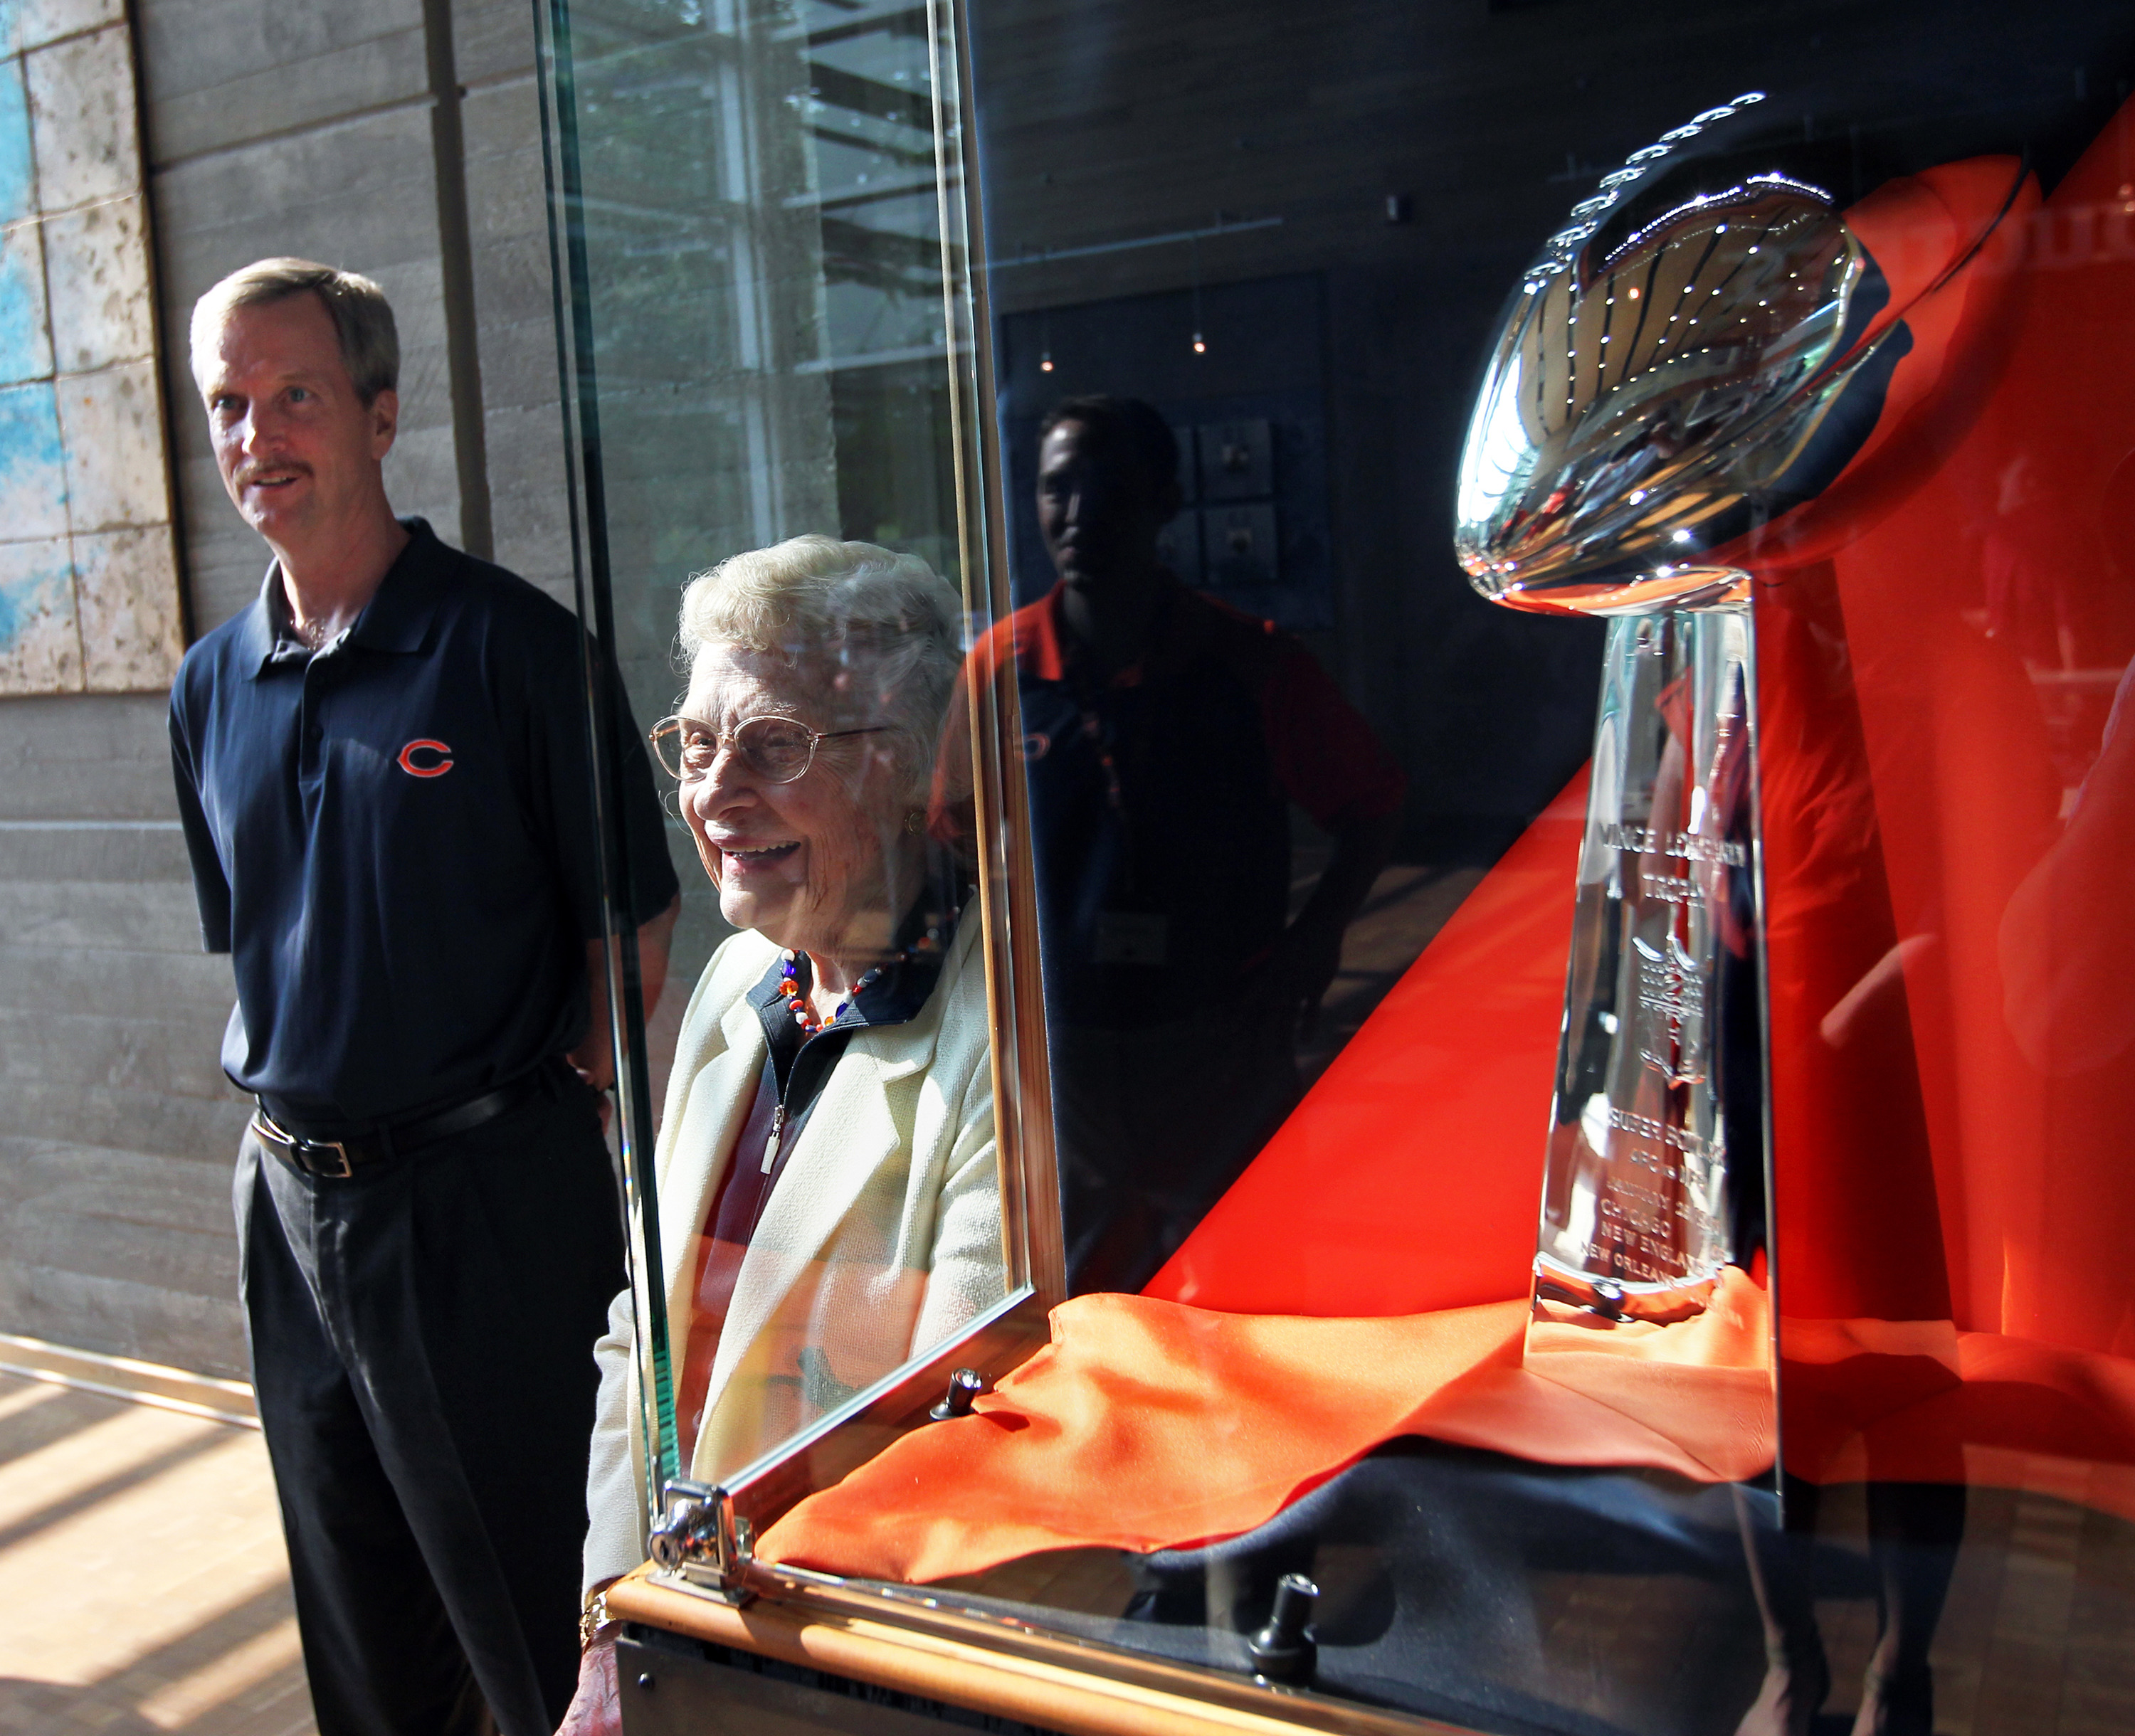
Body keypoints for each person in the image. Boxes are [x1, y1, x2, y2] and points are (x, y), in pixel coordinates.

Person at [168, 258, 680, 1736]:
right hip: (286, 1205)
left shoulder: (515, 650)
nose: (258, 435)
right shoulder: (208, 686)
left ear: (382, 412)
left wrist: (534, 1126)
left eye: (297, 396)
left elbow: (628, 932)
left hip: (484, 1203)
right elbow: (265, 945)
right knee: (360, 1630)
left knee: (538, 1626)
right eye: (229, 404)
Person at [562, 536, 1004, 1732]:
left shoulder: (1005, 1046)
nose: (711, 794)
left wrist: (709, 1666)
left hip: (845, 1671)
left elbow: (949, 1451)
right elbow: (635, 1342)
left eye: (773, 746)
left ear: (910, 769)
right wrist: (617, 1616)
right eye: (697, 745)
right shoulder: (735, 982)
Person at [944, 396, 1404, 1292]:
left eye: (1108, 488)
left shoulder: (1252, 663)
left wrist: (1315, 940)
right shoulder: (998, 671)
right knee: (1082, 1289)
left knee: (1248, 1278)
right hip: (1064, 1051)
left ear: (1165, 501)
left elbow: (1374, 803)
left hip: (1221, 1035)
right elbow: (956, 836)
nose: (1078, 515)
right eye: (1056, 489)